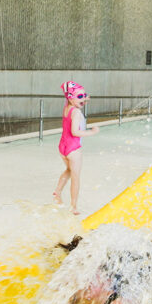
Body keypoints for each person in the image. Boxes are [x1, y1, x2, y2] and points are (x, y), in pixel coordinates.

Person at [53, 80, 99, 215]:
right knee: (75, 177)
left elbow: (78, 99)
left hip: (63, 147)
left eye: (85, 95)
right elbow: (75, 132)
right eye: (80, 97)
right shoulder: (77, 113)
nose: (84, 99)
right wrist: (92, 132)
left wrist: (82, 97)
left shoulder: (68, 108)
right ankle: (73, 206)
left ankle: (57, 192)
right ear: (71, 98)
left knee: (68, 169)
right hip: (73, 149)